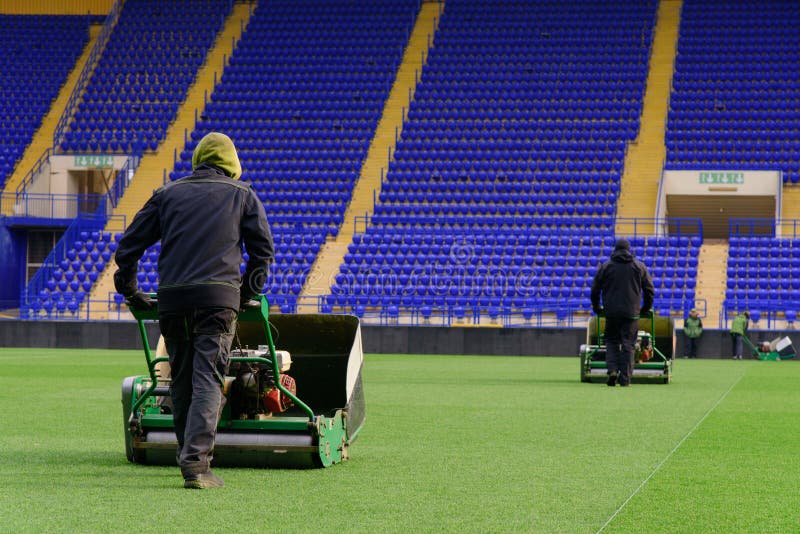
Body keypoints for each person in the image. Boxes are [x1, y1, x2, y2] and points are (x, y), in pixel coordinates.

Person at [114, 132, 274, 489]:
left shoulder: (166, 194)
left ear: (198, 159)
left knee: (182, 379)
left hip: (172, 301)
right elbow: (262, 254)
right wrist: (246, 292)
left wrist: (131, 291)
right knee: (208, 379)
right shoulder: (243, 196)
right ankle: (197, 466)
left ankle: (187, 456)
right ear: (232, 164)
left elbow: (127, 248)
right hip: (218, 302)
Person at [590, 238, 655, 387]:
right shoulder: (639, 267)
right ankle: (625, 379)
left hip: (611, 313)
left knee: (612, 342)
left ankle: (612, 370)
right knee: (628, 345)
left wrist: (596, 307)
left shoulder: (606, 267)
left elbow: (594, 290)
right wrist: (645, 308)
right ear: (628, 249)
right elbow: (649, 290)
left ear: (615, 249)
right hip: (631, 313)